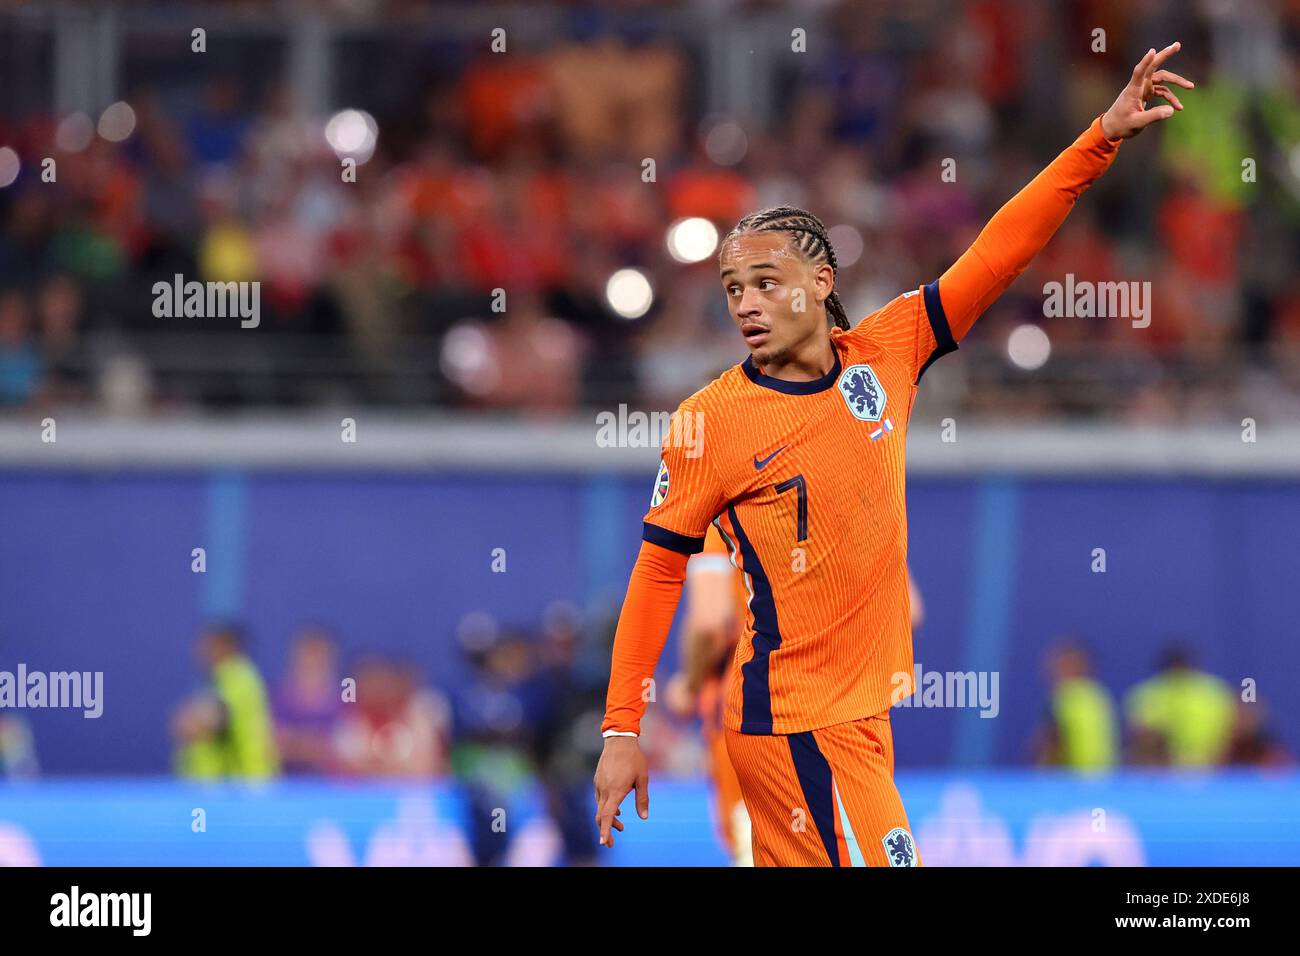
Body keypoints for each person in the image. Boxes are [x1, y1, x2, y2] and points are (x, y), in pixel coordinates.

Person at [595, 43, 1194, 866]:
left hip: (858, 716)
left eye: (767, 281)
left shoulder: (889, 352)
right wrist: (622, 727)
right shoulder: (713, 422)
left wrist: (1101, 136)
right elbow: (659, 570)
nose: (747, 303)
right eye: (734, 289)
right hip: (795, 722)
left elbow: (998, 253)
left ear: (822, 278)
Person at [171, 623, 280, 779]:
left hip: (244, 787)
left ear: (227, 646)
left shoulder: (238, 677)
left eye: (210, 643)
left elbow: (206, 721)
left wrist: (188, 720)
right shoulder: (219, 678)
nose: (202, 649)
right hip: (229, 789)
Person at [1124, 643, 1236, 767]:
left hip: (1211, 765)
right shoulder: (1151, 693)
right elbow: (1143, 736)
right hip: (1165, 768)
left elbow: (1231, 728)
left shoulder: (1214, 690)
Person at [1033, 638, 1117, 772]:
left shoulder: (1063, 697)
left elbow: (1051, 745)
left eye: (1061, 664)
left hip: (1072, 783)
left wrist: (1041, 776)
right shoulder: (1100, 695)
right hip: (1104, 779)